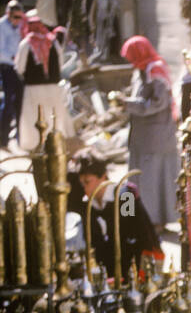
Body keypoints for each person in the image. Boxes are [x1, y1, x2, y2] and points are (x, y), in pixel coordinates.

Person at [118, 35, 179, 229]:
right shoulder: (142, 70)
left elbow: (158, 103)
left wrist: (128, 104)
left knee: (153, 181)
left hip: (157, 138)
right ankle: (136, 217)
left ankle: (155, 221)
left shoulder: (156, 70)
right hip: (143, 138)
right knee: (139, 179)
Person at [72, 151, 163, 277]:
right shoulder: (89, 205)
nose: (84, 188)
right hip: (112, 263)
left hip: (138, 261)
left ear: (103, 177)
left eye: (88, 182)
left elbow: (132, 235)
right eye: (82, 184)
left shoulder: (126, 196)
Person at [14, 9, 73, 150]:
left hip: (33, 87)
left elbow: (19, 67)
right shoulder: (52, 41)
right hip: (53, 86)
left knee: (34, 117)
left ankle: (36, 145)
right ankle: (56, 142)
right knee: (54, 114)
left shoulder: (26, 44)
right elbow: (60, 63)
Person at [0, 0, 24, 148]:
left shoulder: (20, 25)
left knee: (21, 103)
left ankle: (20, 137)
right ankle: (3, 139)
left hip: (19, 68)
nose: (17, 20)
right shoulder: (2, 26)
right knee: (8, 102)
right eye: (15, 17)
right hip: (7, 67)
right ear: (8, 15)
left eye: (19, 17)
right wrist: (13, 57)